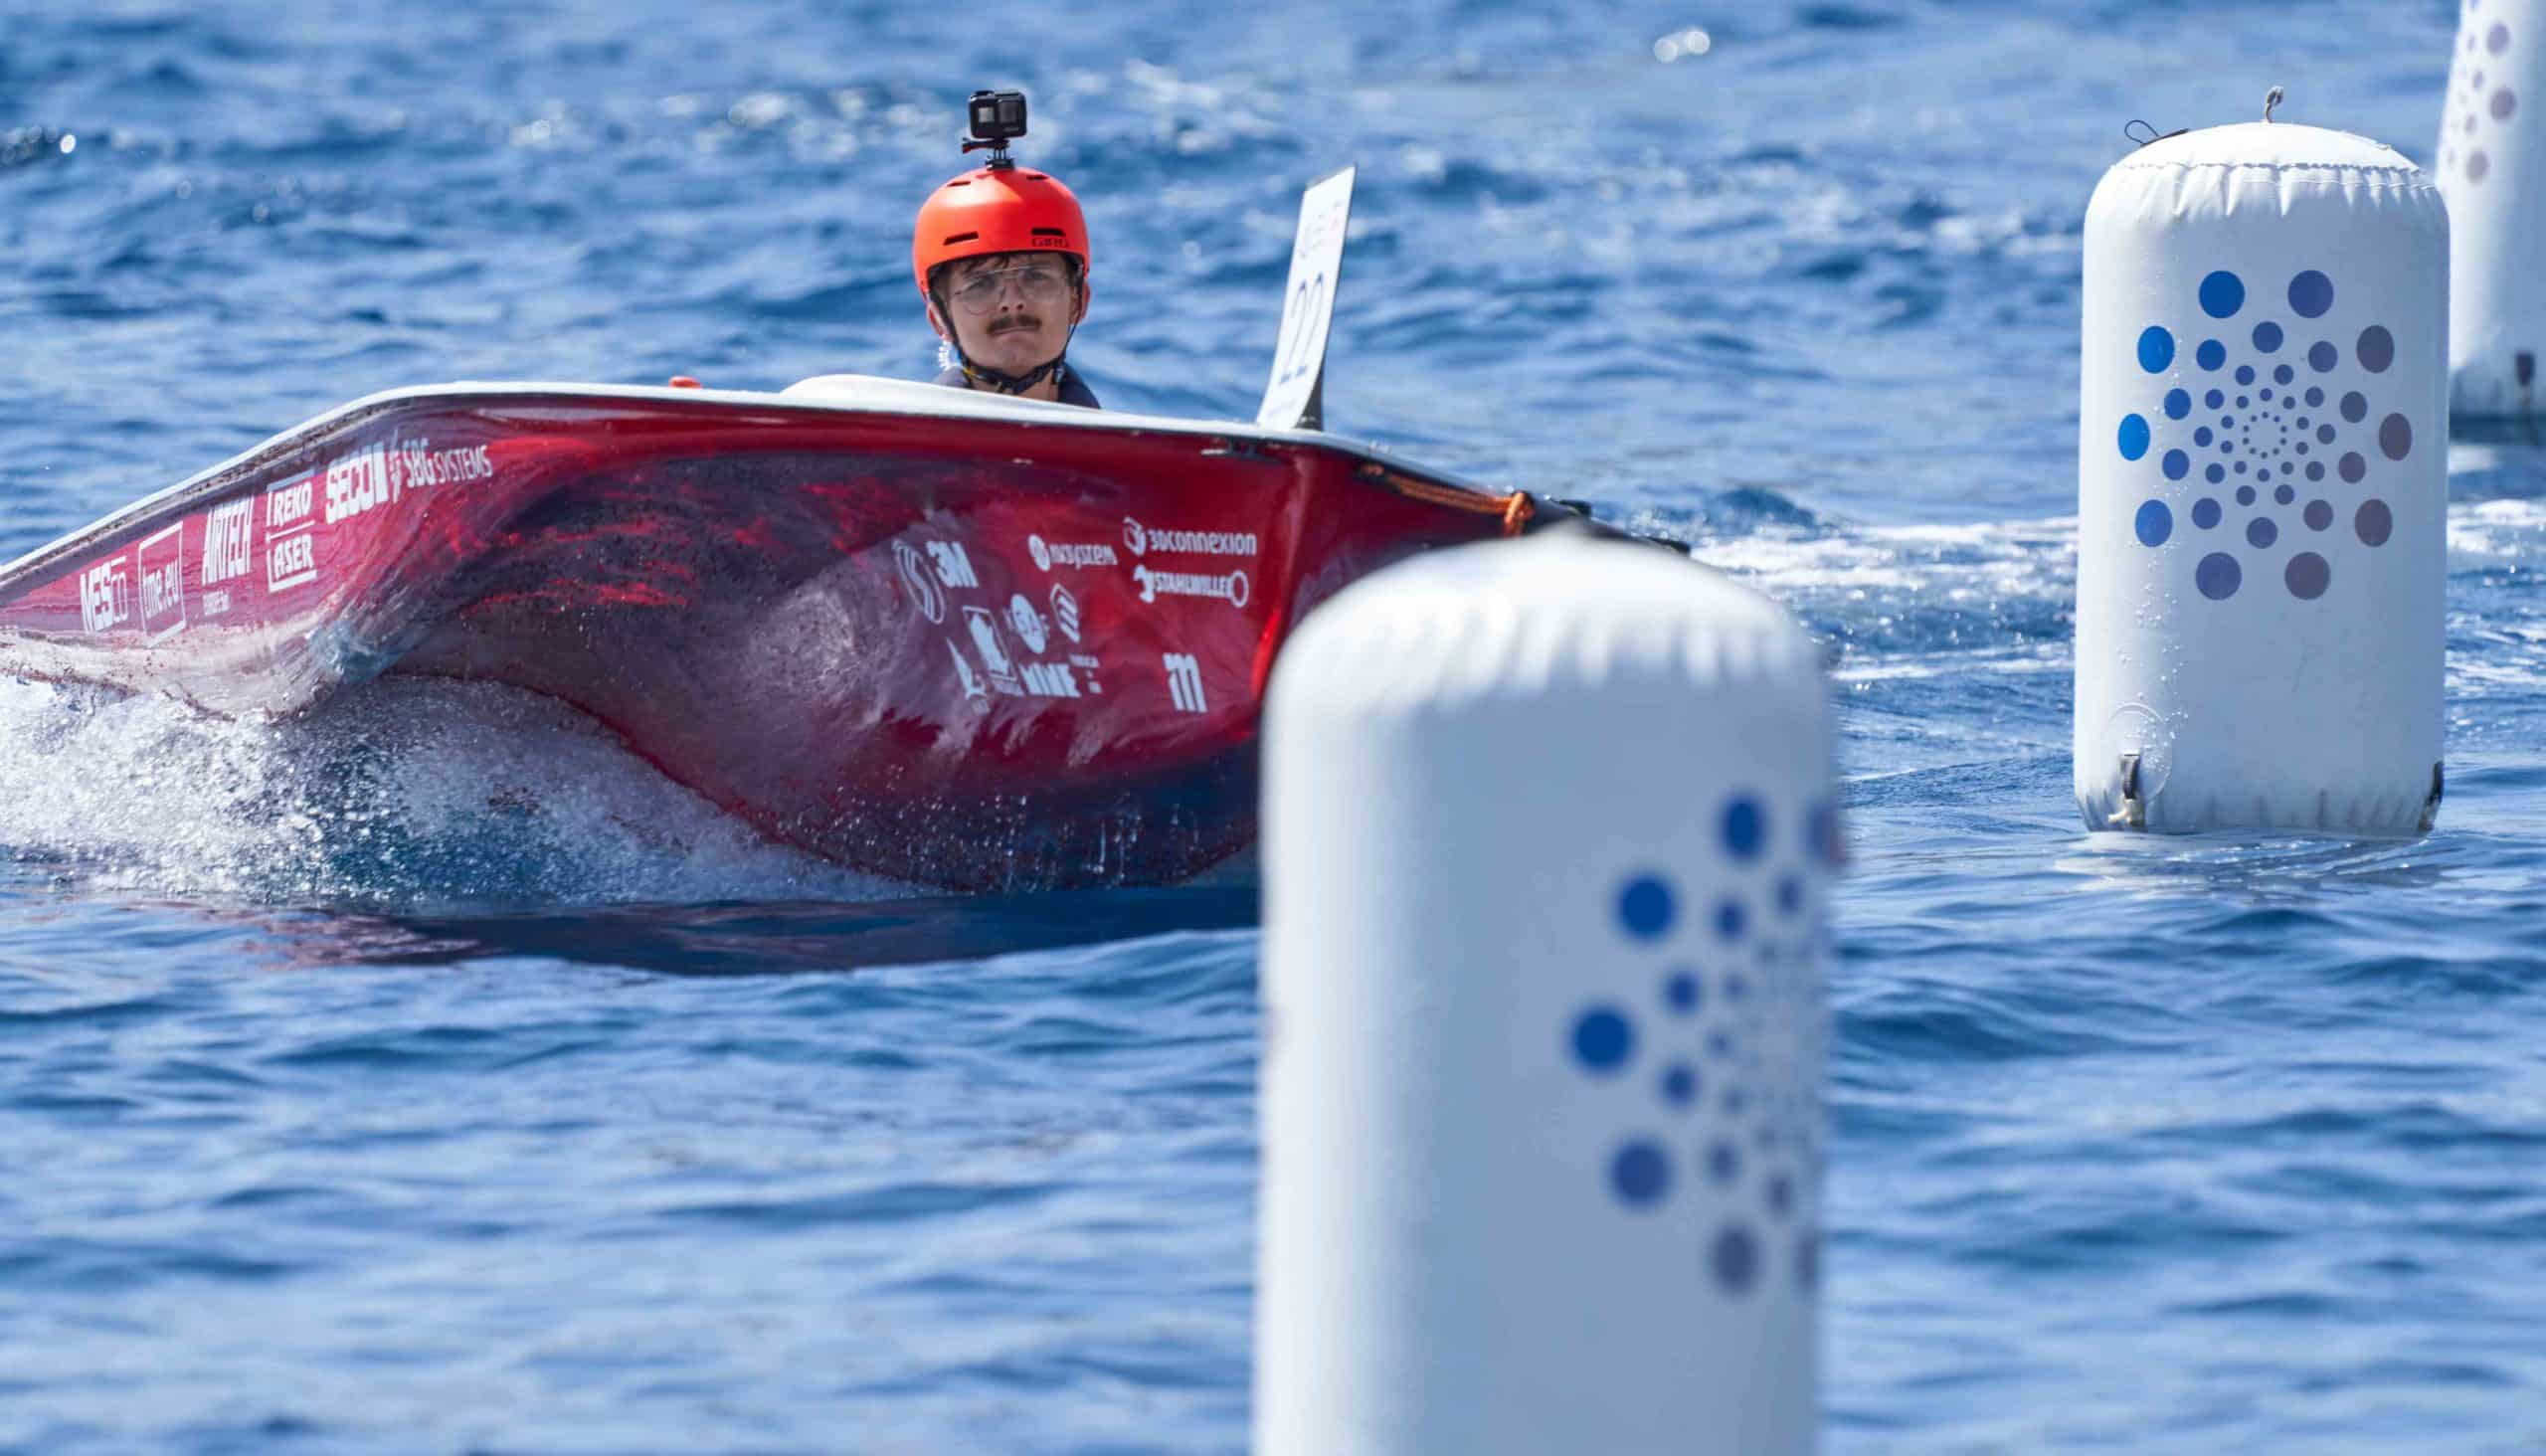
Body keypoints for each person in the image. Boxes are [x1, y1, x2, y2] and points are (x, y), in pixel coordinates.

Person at [912, 156, 1101, 407]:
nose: (1012, 302)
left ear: (1079, 302)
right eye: (980, 285)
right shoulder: (893, 445)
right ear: (939, 319)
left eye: (1035, 277)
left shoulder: (1128, 444)